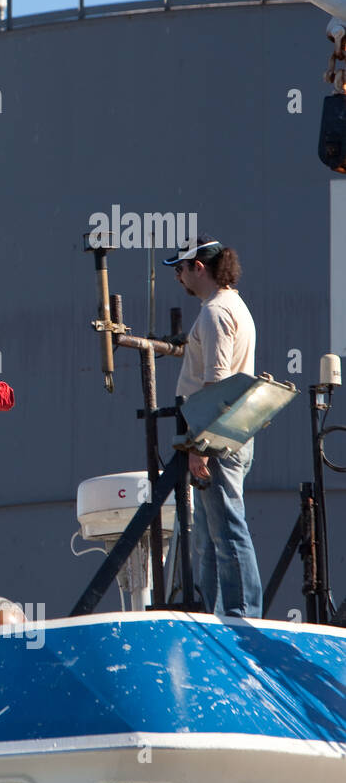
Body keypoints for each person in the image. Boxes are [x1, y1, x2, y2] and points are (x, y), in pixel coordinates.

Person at [161, 233, 260, 616]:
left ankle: (240, 616)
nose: (179, 278)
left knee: (227, 531)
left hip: (215, 436)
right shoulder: (235, 306)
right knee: (211, 534)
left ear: (198, 268)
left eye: (181, 269)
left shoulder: (215, 312)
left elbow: (215, 385)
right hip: (232, 432)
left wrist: (199, 447)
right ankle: (217, 615)